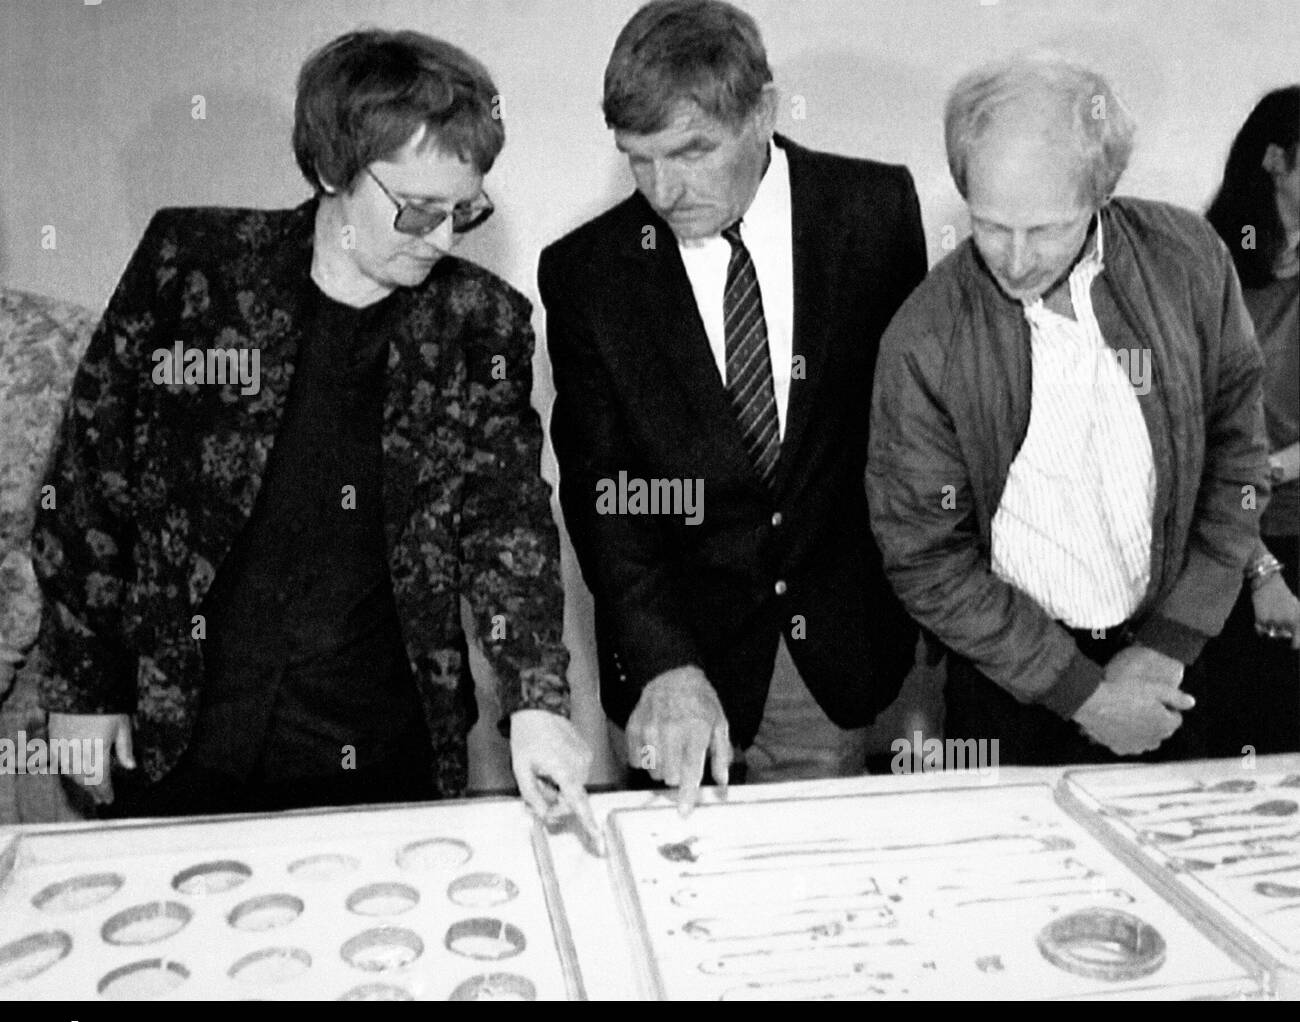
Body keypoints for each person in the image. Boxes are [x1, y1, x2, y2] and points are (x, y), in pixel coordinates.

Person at [33, 29, 597, 836]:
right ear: (334, 168)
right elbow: (89, 478)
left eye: (463, 211)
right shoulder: (191, 270)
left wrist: (537, 703)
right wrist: (83, 686)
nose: (440, 239)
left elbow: (507, 528)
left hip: (375, 744)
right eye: (417, 209)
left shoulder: (480, 323)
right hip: (185, 734)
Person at [541, 0, 927, 812]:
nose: (664, 189)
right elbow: (603, 496)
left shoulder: (875, 212)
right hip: (671, 658)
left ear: (763, 111)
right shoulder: (589, 273)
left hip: (829, 654)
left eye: (691, 151)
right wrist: (665, 664)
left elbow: (906, 433)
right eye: (638, 160)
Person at [866, 52, 1270, 766]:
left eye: (1046, 230)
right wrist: (1081, 690)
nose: (1016, 260)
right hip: (1012, 687)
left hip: (1177, 664)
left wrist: (1171, 643)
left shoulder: (1188, 259)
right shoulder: (923, 340)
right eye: (990, 227)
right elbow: (924, 557)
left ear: (1100, 192)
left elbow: (1237, 457)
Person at [1201, 85, 1300, 756]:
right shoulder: (1205, 265)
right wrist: (1261, 570)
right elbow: (1185, 430)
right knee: (1234, 754)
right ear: (1274, 160)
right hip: (1231, 542)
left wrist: (1275, 465)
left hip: (1286, 513)